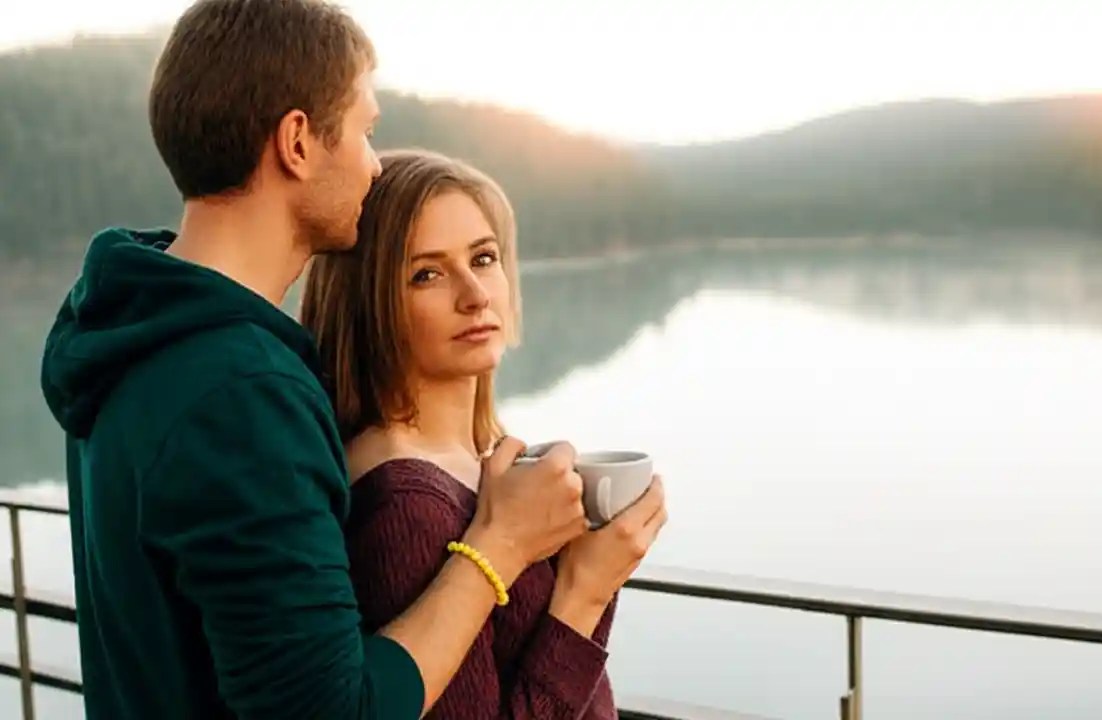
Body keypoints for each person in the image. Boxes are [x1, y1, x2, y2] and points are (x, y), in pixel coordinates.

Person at [38, 1, 588, 718]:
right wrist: (500, 545)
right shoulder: (239, 391)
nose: (372, 164)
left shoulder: (130, 326)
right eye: (365, 131)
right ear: (297, 141)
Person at [299, 148, 669, 718]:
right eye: (427, 273)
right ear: (368, 304)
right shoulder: (406, 504)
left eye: (485, 257)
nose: (475, 294)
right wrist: (584, 593)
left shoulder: (482, 461)